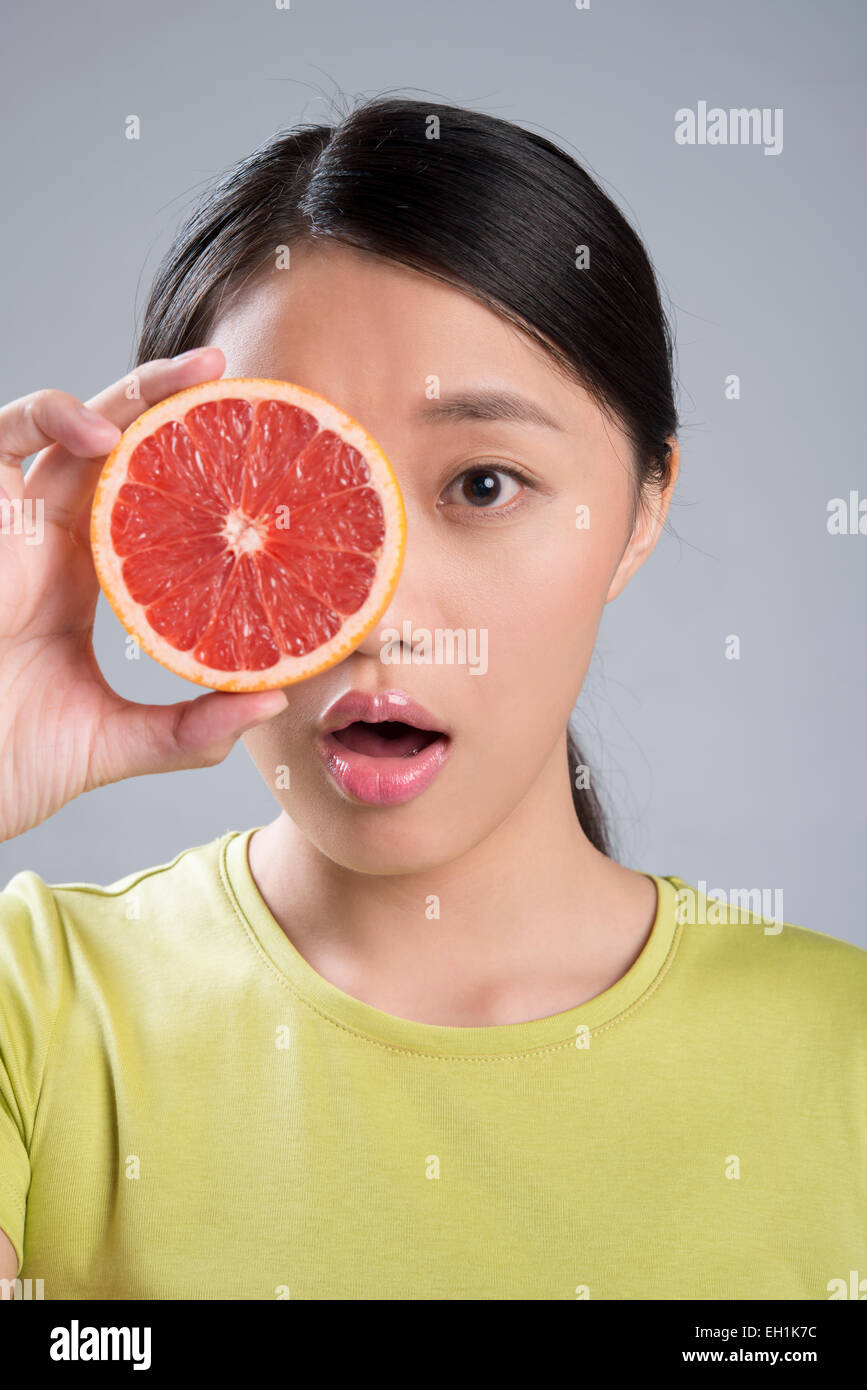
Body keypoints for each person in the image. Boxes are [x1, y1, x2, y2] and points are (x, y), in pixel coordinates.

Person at [1, 96, 864, 1301]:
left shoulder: (846, 1056)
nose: (381, 608)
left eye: (484, 482)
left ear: (642, 508)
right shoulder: (33, 1008)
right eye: (282, 496)